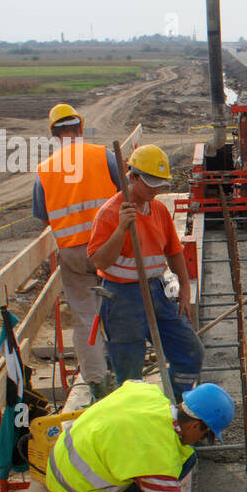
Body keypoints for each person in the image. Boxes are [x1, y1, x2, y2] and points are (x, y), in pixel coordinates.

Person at [44, 379, 243, 492]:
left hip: (61, 454)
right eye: (205, 436)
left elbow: (131, 381)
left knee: (187, 457)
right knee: (169, 470)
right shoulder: (155, 455)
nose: (202, 441)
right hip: (75, 485)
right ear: (194, 426)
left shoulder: (149, 393)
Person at [88, 144, 203, 401]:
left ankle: (177, 408)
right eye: (150, 182)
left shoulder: (159, 210)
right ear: (132, 177)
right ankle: (135, 419)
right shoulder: (109, 213)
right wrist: (121, 229)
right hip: (122, 297)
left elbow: (174, 251)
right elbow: (101, 261)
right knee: (129, 376)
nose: (155, 189)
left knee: (191, 351)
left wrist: (184, 287)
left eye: (159, 184)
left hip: (157, 289)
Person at [32, 103, 123, 398]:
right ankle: (124, 375)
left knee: (86, 319)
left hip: (72, 253)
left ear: (55, 135)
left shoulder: (45, 171)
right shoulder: (103, 156)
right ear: (81, 129)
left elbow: (44, 216)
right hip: (110, 247)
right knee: (118, 307)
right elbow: (128, 194)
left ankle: (98, 385)